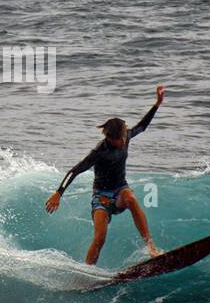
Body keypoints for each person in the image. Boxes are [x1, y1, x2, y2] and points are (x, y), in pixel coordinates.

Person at [46, 85, 165, 265]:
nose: (124, 140)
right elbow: (75, 170)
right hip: (101, 197)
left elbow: (142, 126)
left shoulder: (126, 137)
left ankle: (150, 247)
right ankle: (87, 272)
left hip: (120, 191)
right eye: (120, 139)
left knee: (131, 199)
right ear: (110, 138)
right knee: (100, 238)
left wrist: (157, 104)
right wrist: (58, 192)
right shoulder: (99, 152)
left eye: (125, 137)